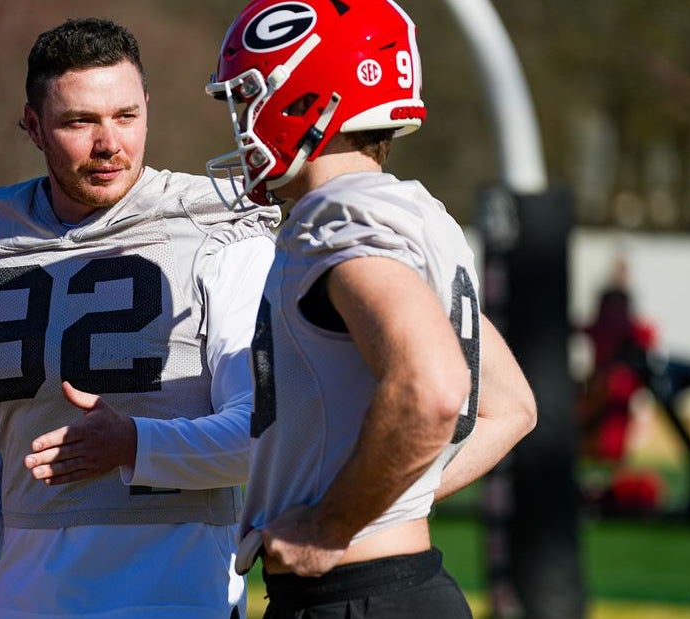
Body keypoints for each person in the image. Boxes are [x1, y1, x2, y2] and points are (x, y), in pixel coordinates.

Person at [0, 18, 278, 618]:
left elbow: (266, 436)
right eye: (78, 122)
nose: (108, 143)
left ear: (149, 108)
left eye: (125, 115)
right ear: (33, 126)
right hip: (29, 602)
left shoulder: (217, 228)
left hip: (178, 599)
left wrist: (134, 442)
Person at [204, 1, 537, 616]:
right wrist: (388, 495)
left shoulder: (338, 217)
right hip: (408, 587)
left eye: (249, 96)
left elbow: (433, 388)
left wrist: (331, 525)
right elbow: (510, 407)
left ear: (306, 95)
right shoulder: (417, 213)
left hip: (351, 596)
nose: (240, 120)